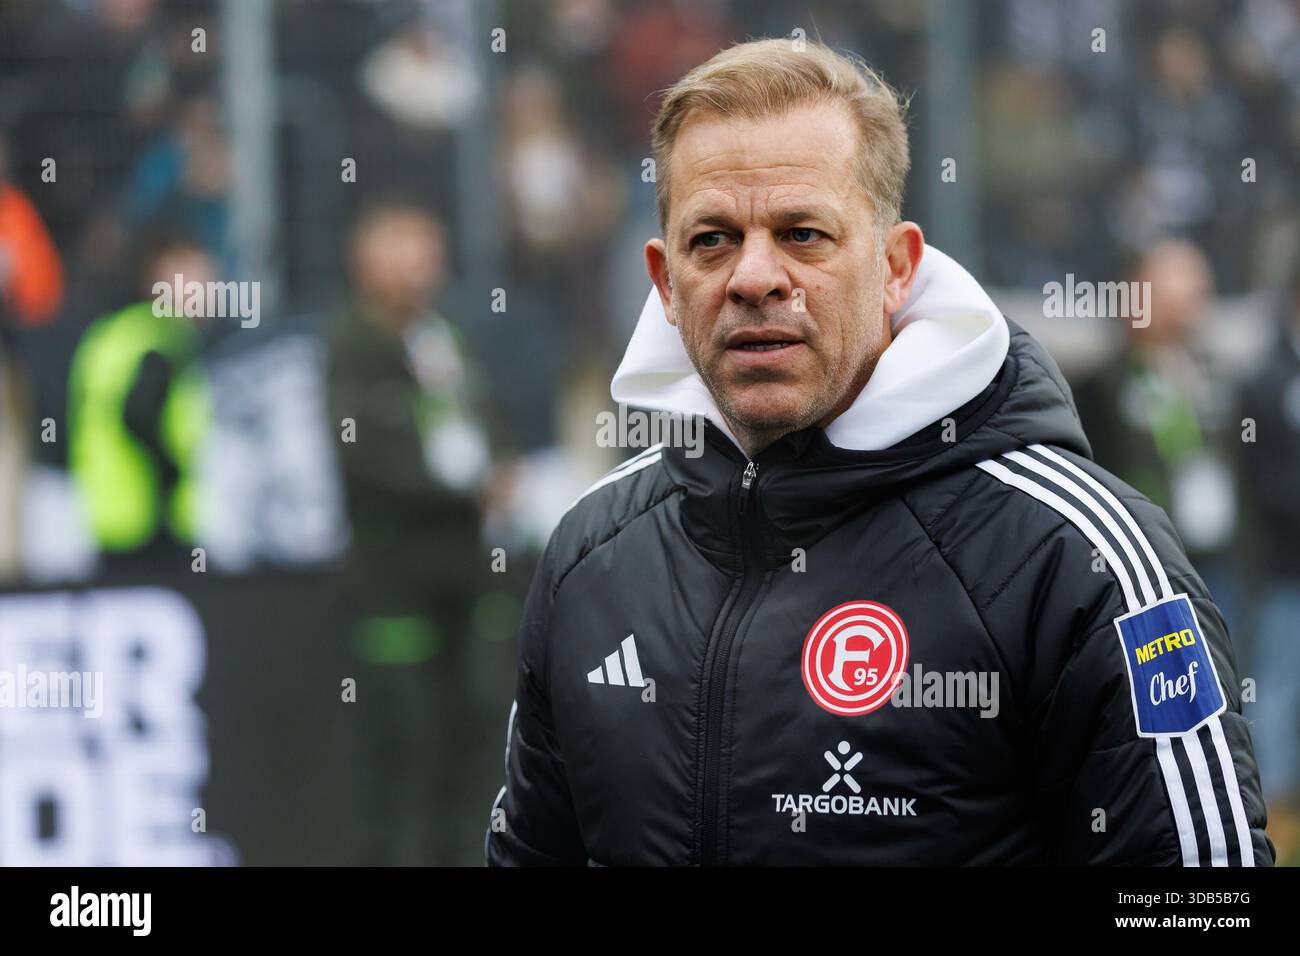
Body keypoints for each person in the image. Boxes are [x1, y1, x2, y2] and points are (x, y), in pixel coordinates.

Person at [485, 38, 1272, 866]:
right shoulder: (589, 553)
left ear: (896, 267)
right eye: (712, 239)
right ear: (664, 282)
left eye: (803, 234)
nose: (755, 275)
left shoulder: (1080, 557)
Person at [327, 199, 494, 865]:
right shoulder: (351, 343)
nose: (426, 270)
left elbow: (478, 418)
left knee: (470, 727)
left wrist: (496, 468)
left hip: (462, 566)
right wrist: (453, 488)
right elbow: (362, 456)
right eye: (410, 255)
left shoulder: (442, 337)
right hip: (392, 573)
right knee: (405, 735)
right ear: (369, 263)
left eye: (432, 255)